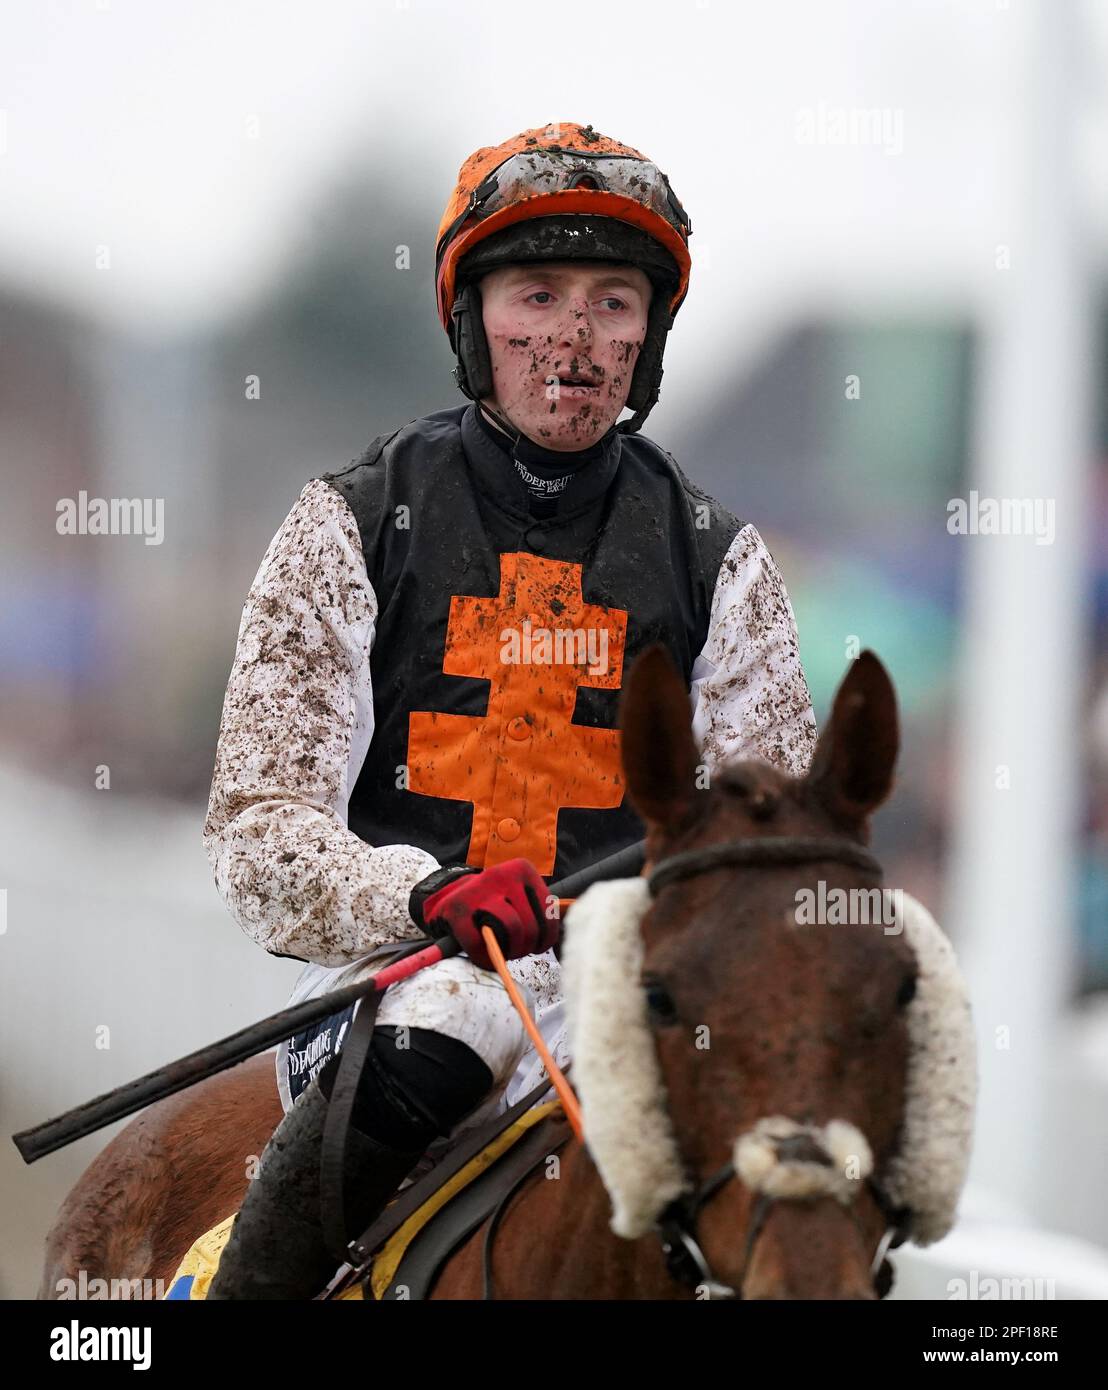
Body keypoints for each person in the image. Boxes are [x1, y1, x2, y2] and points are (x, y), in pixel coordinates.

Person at [202, 120, 818, 1299]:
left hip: (629, 1002)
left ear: (651, 336)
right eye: (537, 294)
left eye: (613, 304)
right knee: (450, 1030)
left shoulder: (721, 564)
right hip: (400, 982)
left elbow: (769, 860)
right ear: (470, 322)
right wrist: (422, 892)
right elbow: (255, 837)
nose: (575, 341)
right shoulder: (348, 524)